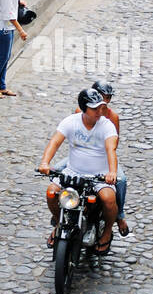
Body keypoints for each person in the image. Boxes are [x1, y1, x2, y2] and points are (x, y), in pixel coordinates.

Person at [38, 87, 119, 255]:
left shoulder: (107, 125)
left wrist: (111, 173)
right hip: (73, 172)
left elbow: (111, 150)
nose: (99, 111)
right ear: (84, 108)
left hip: (99, 176)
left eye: (100, 107)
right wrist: (45, 163)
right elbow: (55, 142)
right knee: (51, 192)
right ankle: (59, 224)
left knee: (109, 199)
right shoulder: (70, 122)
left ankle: (107, 231)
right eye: (94, 108)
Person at [91, 79, 129, 236]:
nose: (105, 101)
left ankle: (119, 216)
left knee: (121, 180)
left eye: (108, 98)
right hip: (82, 156)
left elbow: (114, 144)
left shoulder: (112, 116)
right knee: (57, 171)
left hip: (104, 157)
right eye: (102, 96)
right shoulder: (80, 112)